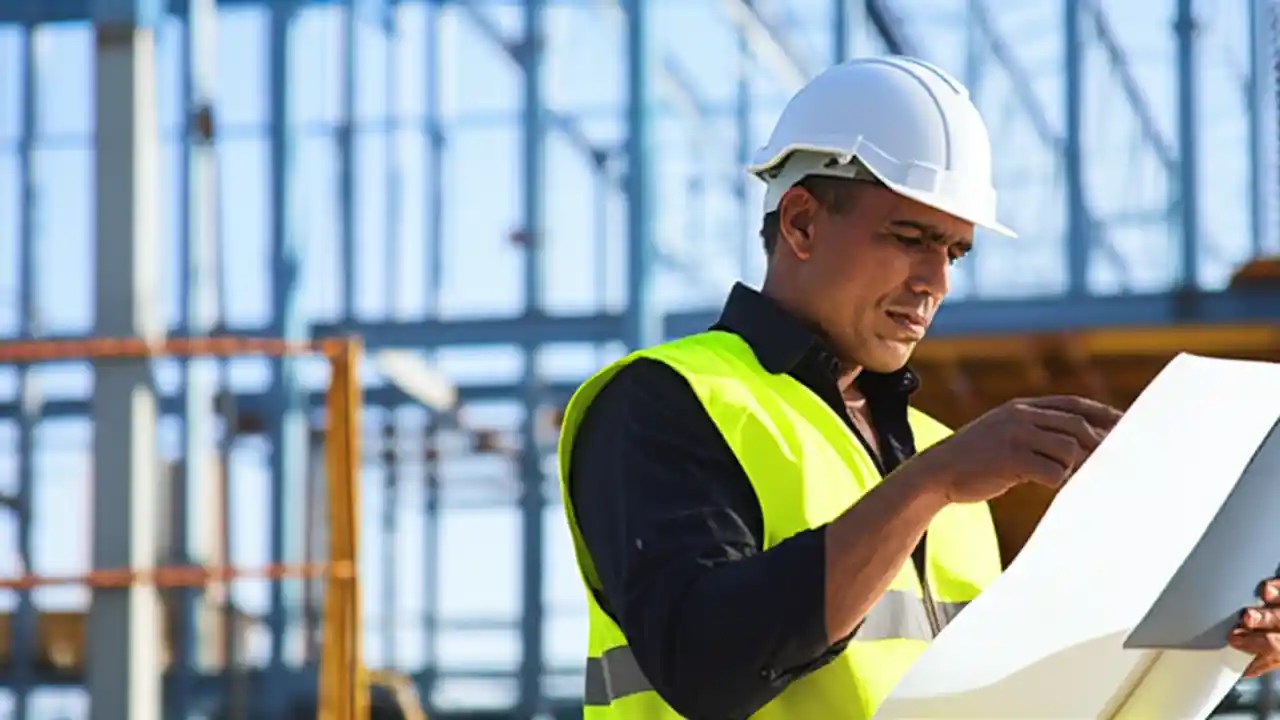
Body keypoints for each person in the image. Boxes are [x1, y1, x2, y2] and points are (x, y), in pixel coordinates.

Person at [556, 56, 1280, 719]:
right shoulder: (665, 402)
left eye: (955, 251)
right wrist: (928, 485)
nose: (935, 283)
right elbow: (707, 663)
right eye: (910, 238)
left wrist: (1201, 645)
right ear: (803, 222)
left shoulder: (939, 457)